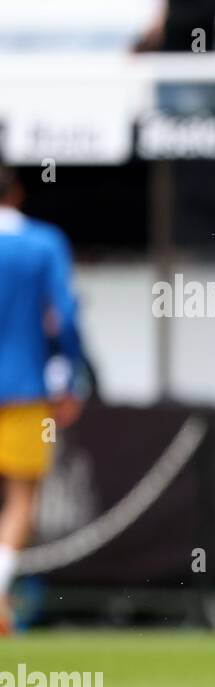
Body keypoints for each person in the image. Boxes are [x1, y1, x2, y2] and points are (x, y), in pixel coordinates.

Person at [0, 166, 84, 634]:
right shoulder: (42, 244)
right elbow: (66, 316)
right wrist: (67, 373)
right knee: (20, 501)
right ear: (16, 192)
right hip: (24, 390)